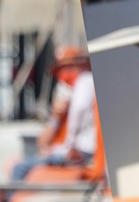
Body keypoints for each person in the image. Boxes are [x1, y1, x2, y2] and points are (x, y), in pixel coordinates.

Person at [10, 46, 97, 181]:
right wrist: (55, 117)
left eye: (68, 68)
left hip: (81, 153)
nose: (63, 76)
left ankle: (13, 195)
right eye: (61, 70)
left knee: (20, 168)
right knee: (15, 163)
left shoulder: (85, 82)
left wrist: (70, 146)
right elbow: (42, 143)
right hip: (68, 151)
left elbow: (80, 109)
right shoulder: (66, 101)